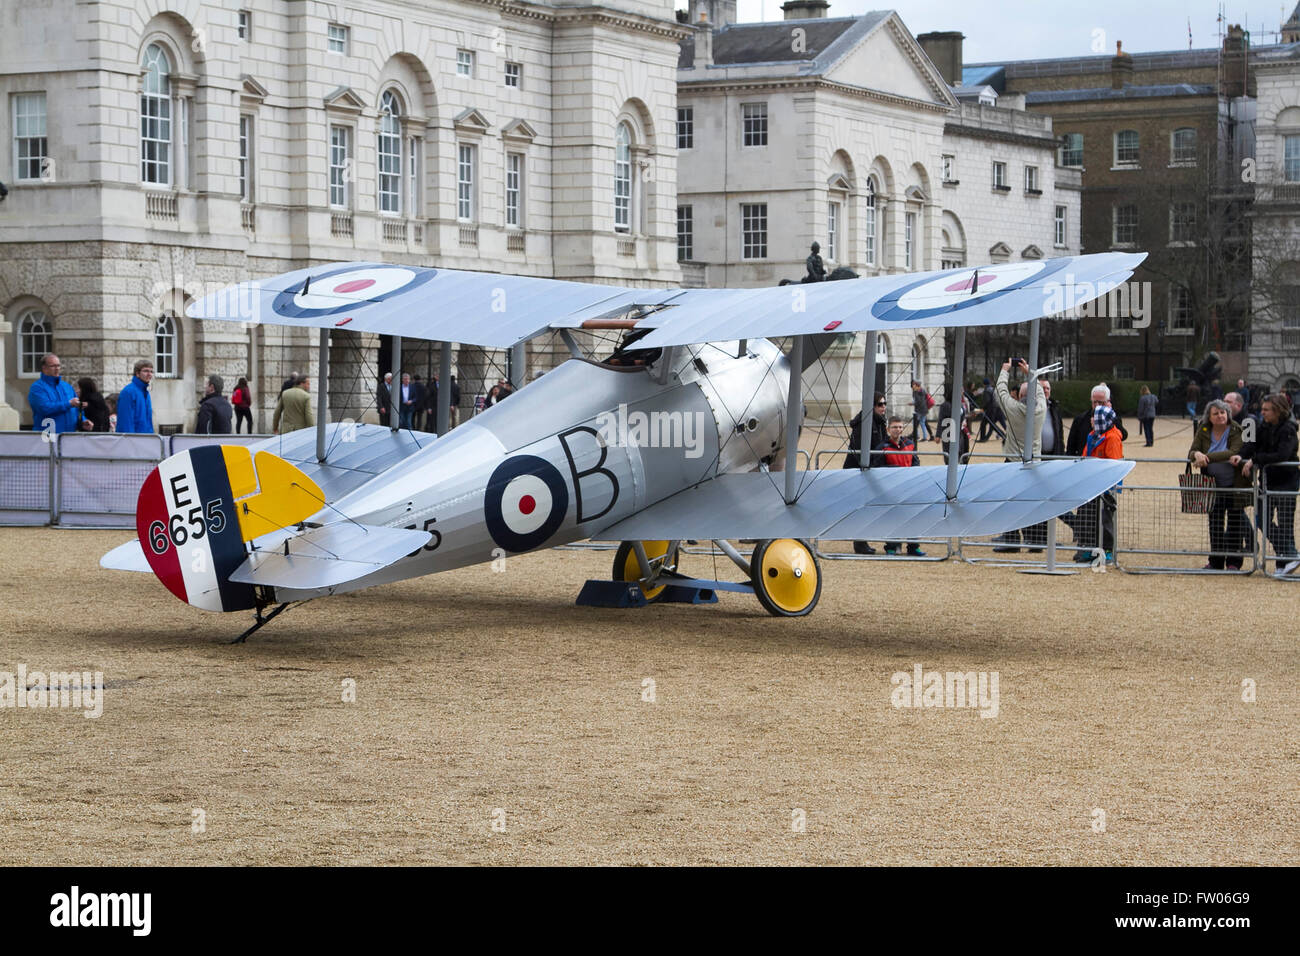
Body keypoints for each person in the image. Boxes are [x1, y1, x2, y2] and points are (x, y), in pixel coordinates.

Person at [1236, 393, 1300, 575]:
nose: (1262, 412)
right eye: (1262, 409)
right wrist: (1242, 456)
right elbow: (1252, 444)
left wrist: (1256, 459)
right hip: (1267, 480)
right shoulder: (1262, 426)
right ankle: (1290, 555)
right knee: (1261, 519)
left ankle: (1283, 562)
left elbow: (1282, 455)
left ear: (1277, 411)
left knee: (1285, 522)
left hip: (1286, 480)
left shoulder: (1288, 429)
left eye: (1266, 410)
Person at [1188, 399, 1247, 570]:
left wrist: (1205, 457)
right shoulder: (1204, 428)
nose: (1220, 416)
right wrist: (1197, 453)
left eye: (1223, 412)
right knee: (1215, 524)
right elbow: (1192, 451)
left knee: (1235, 523)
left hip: (1234, 484)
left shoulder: (1236, 429)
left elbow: (1234, 452)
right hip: (1212, 484)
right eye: (1216, 413)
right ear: (1209, 416)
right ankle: (1216, 561)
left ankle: (1234, 562)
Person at [1068, 405, 1123, 563]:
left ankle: (1107, 552)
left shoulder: (1112, 437)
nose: (1091, 420)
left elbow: (1113, 464)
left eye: (1094, 417)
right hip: (1090, 484)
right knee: (1087, 518)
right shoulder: (1093, 435)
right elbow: (1087, 456)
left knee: (1104, 521)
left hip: (1105, 487)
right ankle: (1087, 549)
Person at [874, 416, 925, 556]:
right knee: (892, 517)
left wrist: (912, 472)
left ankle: (913, 547)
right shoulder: (882, 447)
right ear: (888, 429)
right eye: (894, 427)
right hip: (891, 488)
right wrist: (894, 469)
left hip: (909, 486)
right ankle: (891, 546)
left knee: (913, 516)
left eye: (900, 427)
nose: (898, 430)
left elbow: (916, 461)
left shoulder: (909, 444)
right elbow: (876, 467)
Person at [844, 392, 888, 554]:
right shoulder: (865, 423)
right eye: (880, 404)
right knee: (861, 507)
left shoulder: (879, 422)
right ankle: (860, 543)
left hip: (870, 470)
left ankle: (863, 541)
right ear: (872, 406)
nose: (883, 407)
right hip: (858, 471)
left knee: (867, 507)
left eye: (884, 404)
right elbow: (862, 451)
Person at [1066, 384, 1128, 457]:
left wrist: (1111, 416)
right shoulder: (1080, 419)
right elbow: (1071, 447)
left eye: (1101, 402)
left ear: (1108, 401)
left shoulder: (1113, 418)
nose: (1097, 405)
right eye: (1094, 402)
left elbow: (1123, 435)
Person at [26, 354, 80, 434]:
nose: (57, 369)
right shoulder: (37, 388)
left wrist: (83, 421)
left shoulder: (66, 386)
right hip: (47, 436)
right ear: (44, 368)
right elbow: (44, 408)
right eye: (53, 366)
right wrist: (68, 404)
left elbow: (77, 408)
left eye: (58, 365)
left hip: (68, 435)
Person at [115, 359, 155, 434]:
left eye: (151, 371)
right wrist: (131, 441)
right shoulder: (128, 392)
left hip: (145, 440)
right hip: (133, 441)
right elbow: (125, 422)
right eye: (146, 371)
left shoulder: (146, 393)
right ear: (137, 373)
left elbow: (148, 422)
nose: (149, 374)